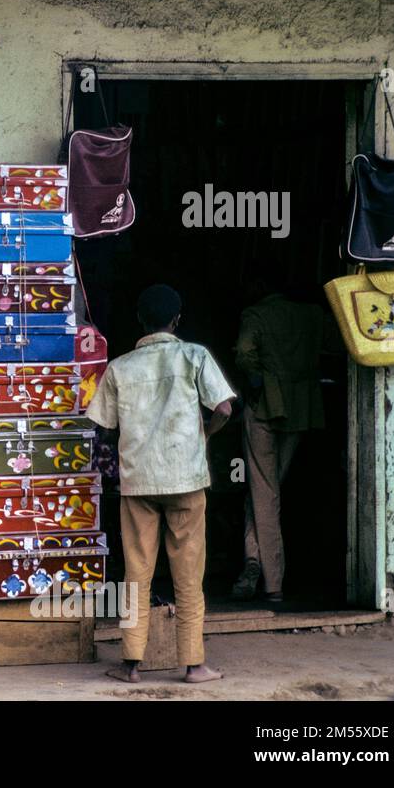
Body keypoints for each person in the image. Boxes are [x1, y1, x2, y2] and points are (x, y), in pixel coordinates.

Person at [87, 284, 236, 684]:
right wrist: (205, 433)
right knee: (189, 575)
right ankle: (194, 665)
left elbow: (101, 425)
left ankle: (131, 663)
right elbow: (223, 407)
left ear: (140, 319)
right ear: (177, 320)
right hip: (185, 479)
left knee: (137, 572)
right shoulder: (194, 356)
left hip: (139, 483)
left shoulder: (120, 367)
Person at [230, 278, 324, 602]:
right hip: (302, 408)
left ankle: (271, 582)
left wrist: (257, 379)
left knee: (263, 493)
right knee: (267, 490)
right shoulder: (312, 314)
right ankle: (253, 567)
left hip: (267, 407)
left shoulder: (255, 315)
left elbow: (243, 352)